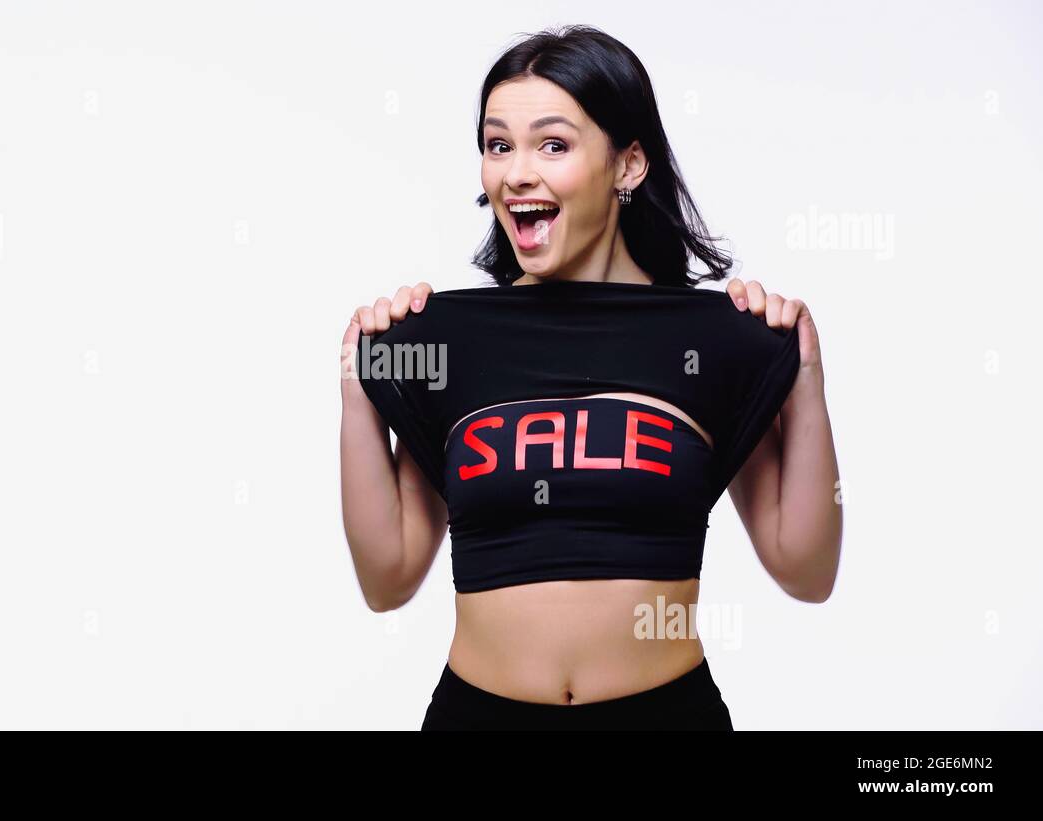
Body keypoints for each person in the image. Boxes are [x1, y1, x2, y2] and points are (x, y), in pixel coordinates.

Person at [338, 25, 842, 730]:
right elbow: (386, 579)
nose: (516, 172)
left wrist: (806, 379)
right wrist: (361, 379)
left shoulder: (714, 341)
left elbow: (806, 569)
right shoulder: (439, 343)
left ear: (628, 165)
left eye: (553, 143)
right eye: (497, 144)